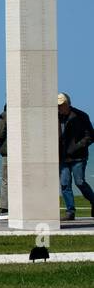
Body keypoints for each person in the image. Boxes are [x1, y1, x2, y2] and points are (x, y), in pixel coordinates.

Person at [57, 92, 94, 221]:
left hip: (78, 156)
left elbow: (90, 136)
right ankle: (70, 212)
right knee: (65, 184)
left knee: (80, 182)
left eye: (61, 105)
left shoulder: (81, 116)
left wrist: (76, 147)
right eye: (57, 105)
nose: (59, 108)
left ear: (67, 104)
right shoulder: (54, 117)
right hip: (62, 157)